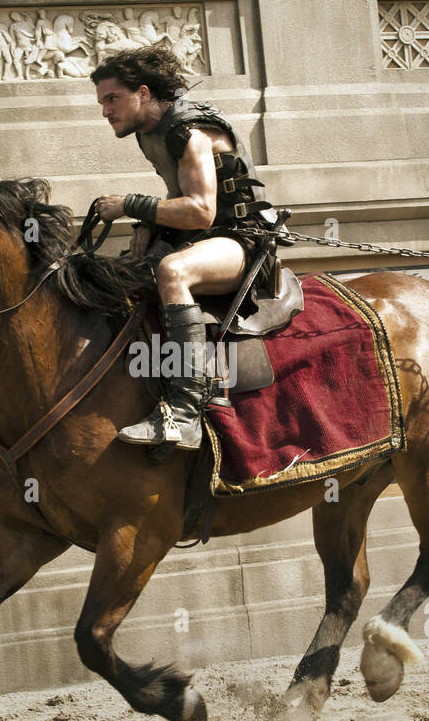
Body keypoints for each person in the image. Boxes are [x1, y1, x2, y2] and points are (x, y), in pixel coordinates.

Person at [91, 47, 284, 452]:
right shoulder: (151, 133)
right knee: (119, 273)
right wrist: (150, 223)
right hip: (204, 238)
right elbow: (179, 194)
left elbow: (200, 210)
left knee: (173, 272)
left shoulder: (189, 133)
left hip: (243, 242)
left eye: (112, 99)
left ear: (142, 93)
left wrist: (131, 205)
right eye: (102, 102)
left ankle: (184, 414)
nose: (105, 111)